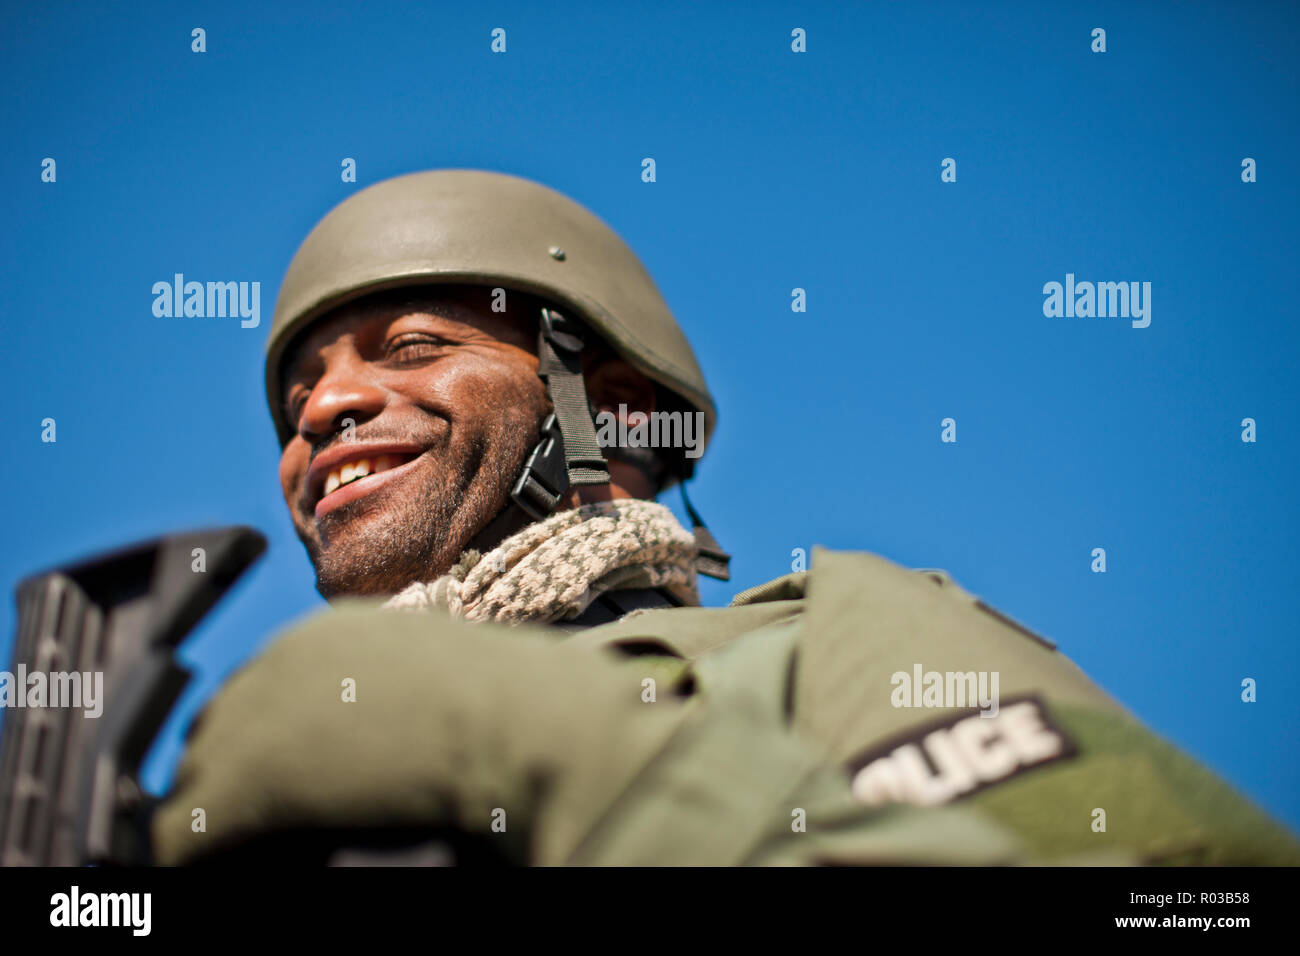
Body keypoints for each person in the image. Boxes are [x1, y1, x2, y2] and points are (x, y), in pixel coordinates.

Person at [151, 170, 1300, 866]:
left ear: (609, 406)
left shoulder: (833, 645)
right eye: (298, 399)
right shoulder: (266, 780)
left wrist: (561, 754)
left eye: (412, 347)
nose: (327, 408)